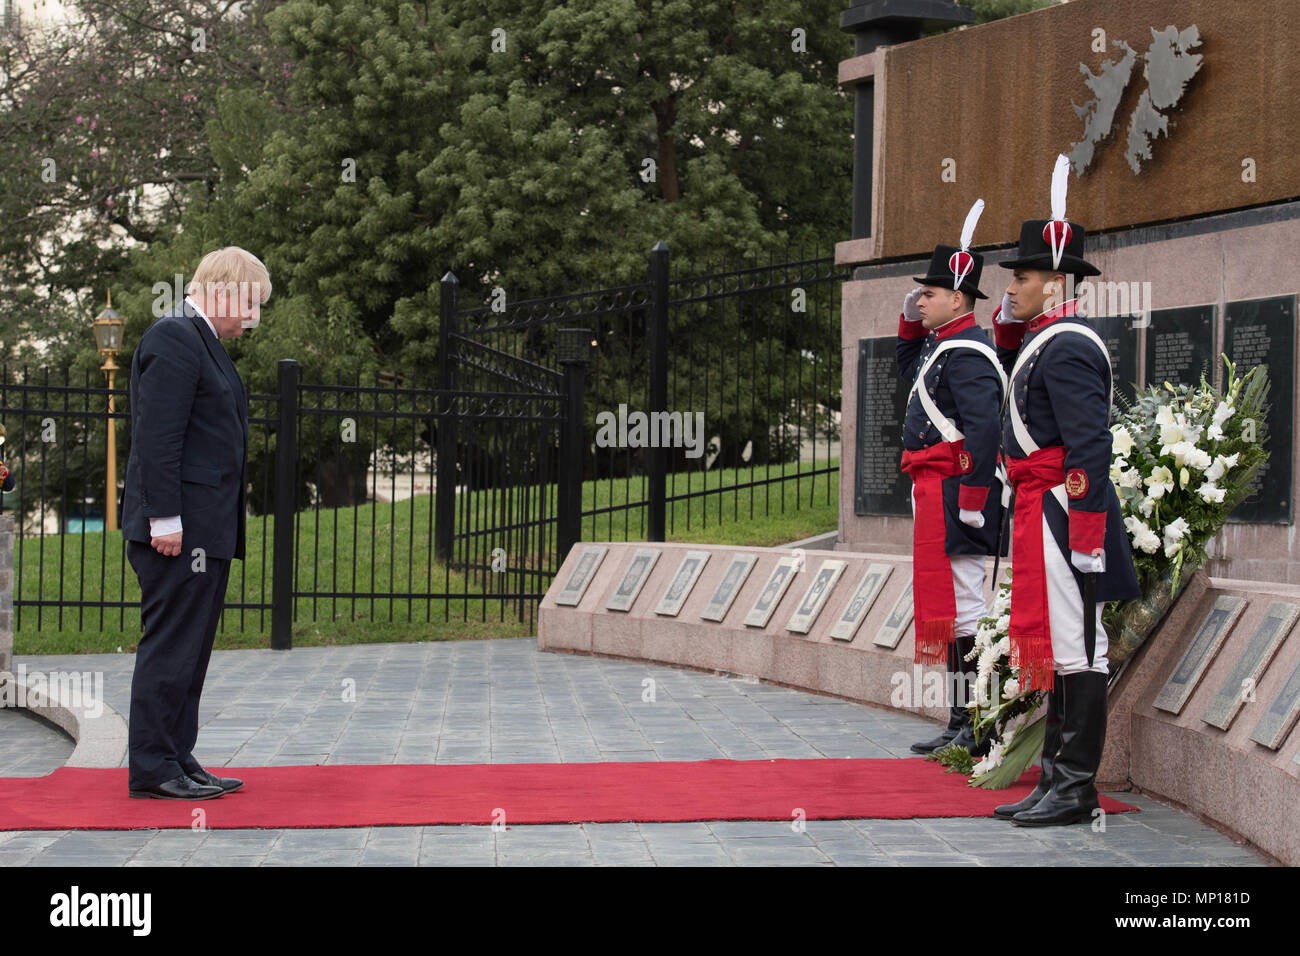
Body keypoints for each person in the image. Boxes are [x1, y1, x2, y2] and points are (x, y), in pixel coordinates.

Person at [990, 156, 1140, 826]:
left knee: (1080, 646)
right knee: (1062, 644)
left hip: (1063, 511)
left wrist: (1084, 536)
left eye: (1021, 276)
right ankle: (1056, 778)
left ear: (1055, 281)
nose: (1012, 288)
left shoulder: (1071, 342)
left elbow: (1088, 448)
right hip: (1042, 506)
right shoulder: (1045, 339)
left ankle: (1076, 786)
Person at [119, 247, 268, 800]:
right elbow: (159, 439)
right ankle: (154, 768)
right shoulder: (174, 337)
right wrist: (164, 519)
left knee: (192, 650)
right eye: (251, 306)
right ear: (226, 290)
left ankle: (177, 756)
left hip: (204, 529)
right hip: (176, 532)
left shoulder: (200, 340)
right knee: (171, 648)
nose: (253, 321)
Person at [898, 199, 1007, 758]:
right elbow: (905, 372)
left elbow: (984, 433)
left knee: (968, 604)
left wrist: (970, 498)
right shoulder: (941, 346)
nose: (921, 299)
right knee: (956, 603)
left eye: (929, 293)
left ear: (958, 298)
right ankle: (959, 719)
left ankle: (977, 725)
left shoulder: (965, 354)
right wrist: (906, 321)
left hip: (959, 493)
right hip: (935, 489)